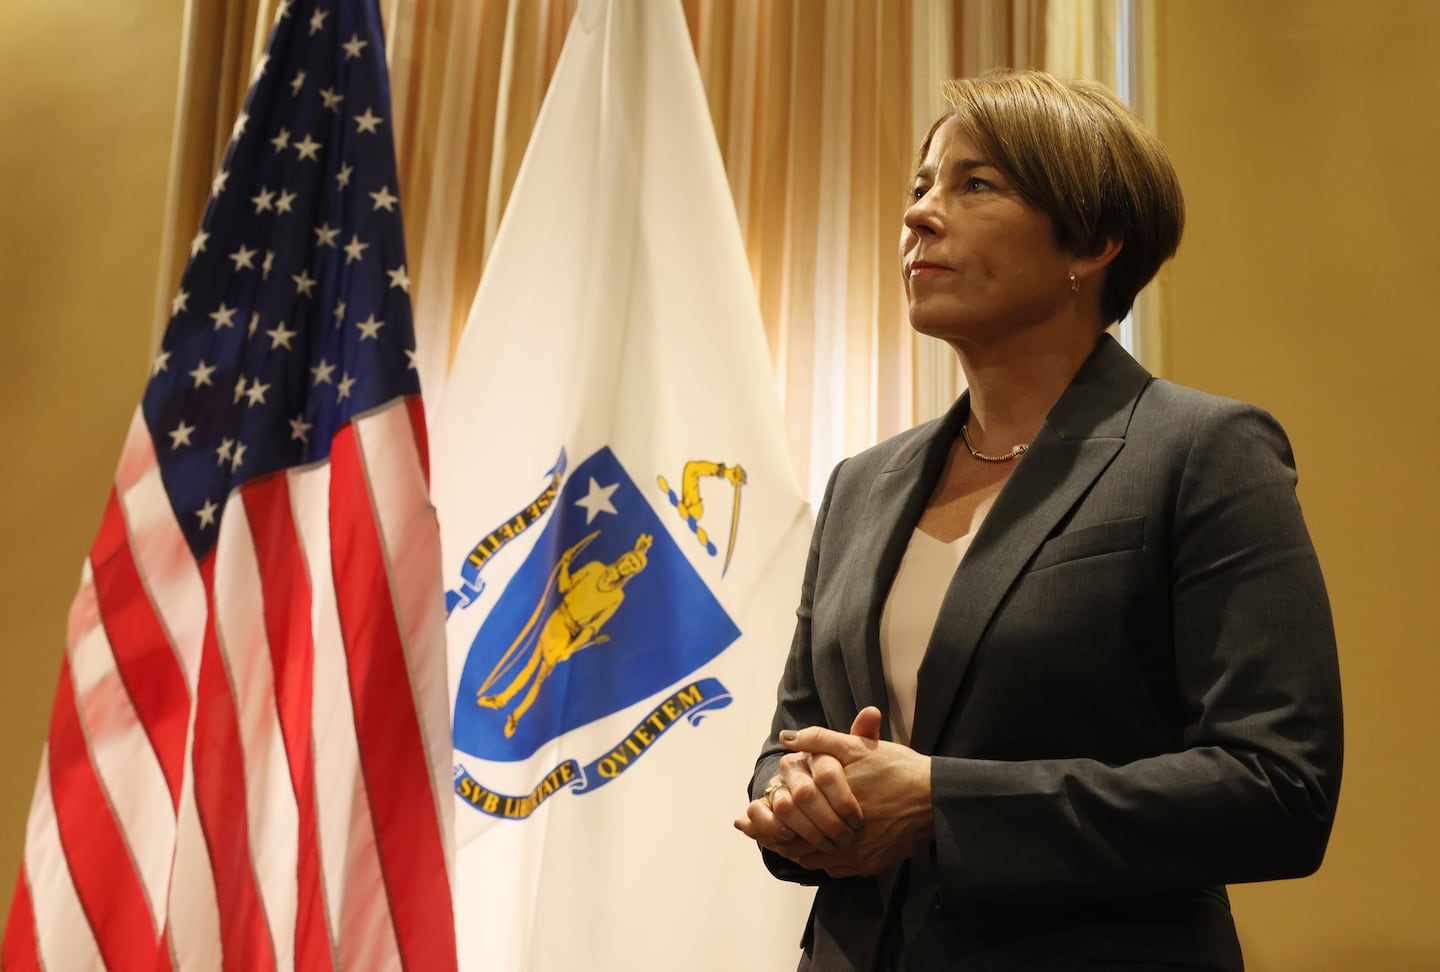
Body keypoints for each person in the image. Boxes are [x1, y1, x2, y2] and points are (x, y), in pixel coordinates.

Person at [733, 69, 1343, 971]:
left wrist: (946, 801)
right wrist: (800, 800)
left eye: (973, 185)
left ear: (1094, 240)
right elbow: (786, 747)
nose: (919, 215)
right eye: (919, 186)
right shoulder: (861, 486)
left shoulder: (1203, 450)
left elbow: (1277, 789)